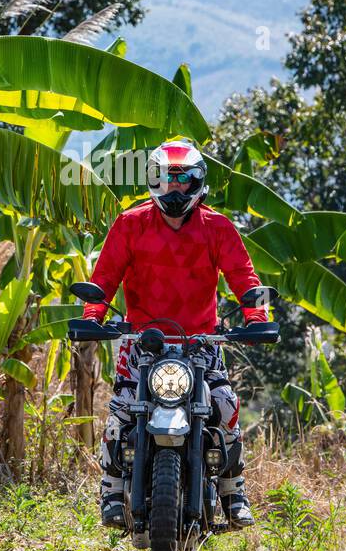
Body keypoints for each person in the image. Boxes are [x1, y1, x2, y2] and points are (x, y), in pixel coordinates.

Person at [81, 139, 269, 529]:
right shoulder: (130, 224)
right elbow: (104, 279)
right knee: (120, 409)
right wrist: (93, 314)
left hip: (202, 344)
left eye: (186, 180)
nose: (177, 189)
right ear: (153, 181)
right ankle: (112, 490)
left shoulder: (217, 227)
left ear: (199, 181)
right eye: (168, 180)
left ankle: (234, 492)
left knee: (224, 406)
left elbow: (244, 278)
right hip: (140, 343)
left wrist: (255, 316)